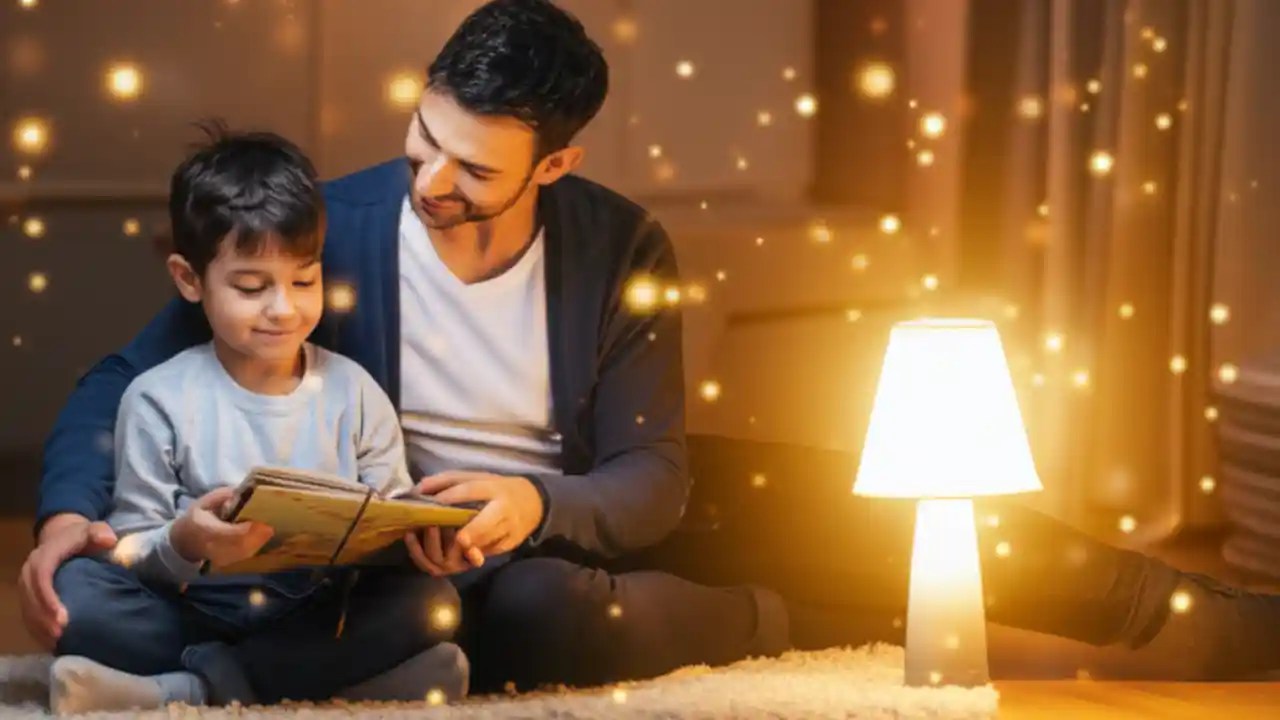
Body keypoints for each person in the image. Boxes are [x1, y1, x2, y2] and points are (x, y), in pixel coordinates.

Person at [23, 0, 1280, 698]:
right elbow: (124, 377)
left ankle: (1225, 623)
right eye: (423, 140)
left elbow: (654, 483)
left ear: (554, 166)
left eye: (474, 169)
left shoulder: (620, 240)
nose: (431, 181)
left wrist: (530, 497)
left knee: (933, 515)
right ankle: (799, 621)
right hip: (437, 547)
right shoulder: (332, 229)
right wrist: (69, 512)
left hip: (592, 493)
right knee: (547, 620)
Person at [44, 128, 467, 714]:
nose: (284, 308)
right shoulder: (158, 396)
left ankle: (192, 688)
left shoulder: (355, 390)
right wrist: (184, 540)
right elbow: (132, 548)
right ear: (190, 280)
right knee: (83, 598)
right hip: (195, 604)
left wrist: (418, 534)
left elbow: (390, 511)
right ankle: (313, 680)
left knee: (431, 600)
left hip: (316, 603)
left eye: (304, 280)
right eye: (250, 287)